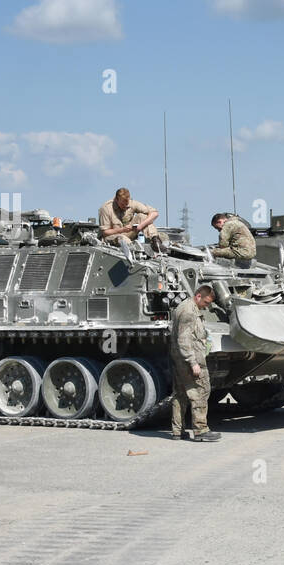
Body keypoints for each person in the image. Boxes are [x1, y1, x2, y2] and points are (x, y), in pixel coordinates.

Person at [170, 284, 220, 442]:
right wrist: (193, 363)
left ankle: (178, 430)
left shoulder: (186, 307)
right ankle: (200, 430)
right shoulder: (189, 312)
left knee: (180, 394)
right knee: (201, 391)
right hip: (189, 359)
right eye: (206, 302)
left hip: (180, 358)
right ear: (198, 296)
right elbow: (183, 340)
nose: (207, 306)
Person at [99, 188, 165, 250]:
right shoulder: (106, 209)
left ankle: (155, 241)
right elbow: (105, 232)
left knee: (142, 216)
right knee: (122, 239)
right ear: (116, 199)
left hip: (128, 233)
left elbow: (154, 213)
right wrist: (122, 229)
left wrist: (141, 225)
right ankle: (134, 249)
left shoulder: (132, 203)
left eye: (126, 204)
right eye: (122, 204)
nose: (125, 207)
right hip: (112, 236)